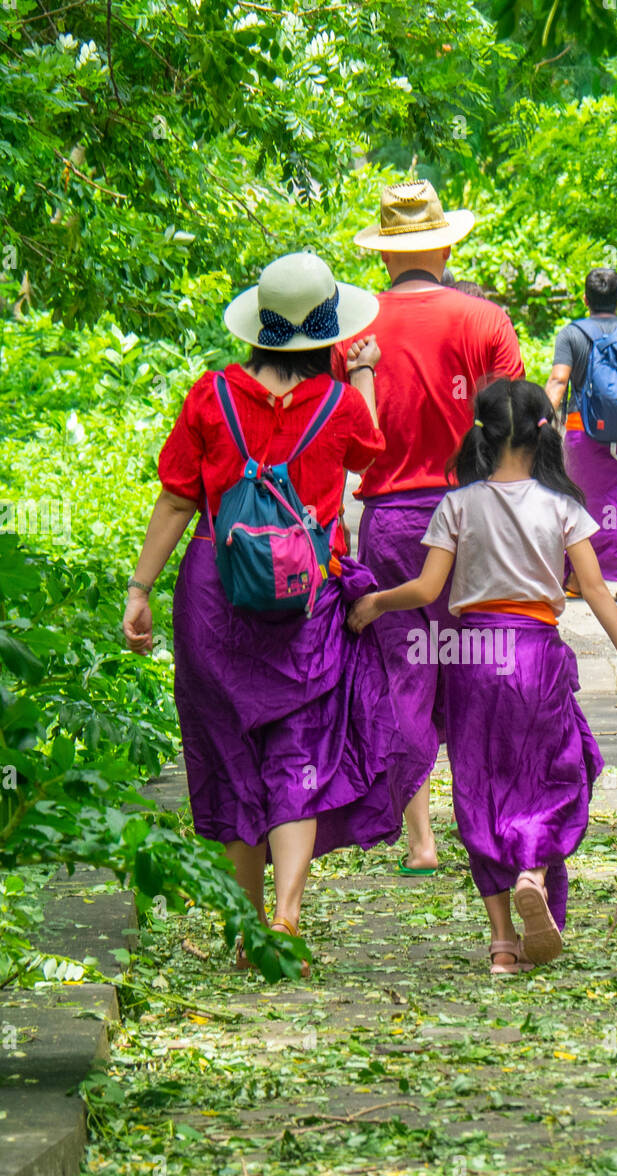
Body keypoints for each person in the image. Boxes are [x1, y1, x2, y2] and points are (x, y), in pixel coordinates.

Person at [122, 252, 430, 971]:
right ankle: (287, 918)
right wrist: (360, 377)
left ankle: (246, 927)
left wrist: (140, 587)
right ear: (327, 335)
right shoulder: (341, 405)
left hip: (214, 593)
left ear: (257, 328)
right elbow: (371, 461)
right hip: (305, 597)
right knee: (298, 749)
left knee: (232, 753)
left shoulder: (208, 397)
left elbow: (174, 498)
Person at [348, 378, 617, 975]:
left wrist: (377, 602)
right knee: (557, 770)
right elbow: (594, 589)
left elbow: (428, 590)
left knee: (479, 788)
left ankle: (502, 945)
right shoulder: (564, 507)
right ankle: (534, 871)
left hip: (472, 657)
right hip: (536, 652)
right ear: (544, 435)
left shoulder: (456, 505)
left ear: (482, 434)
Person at [333, 179, 524, 875]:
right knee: (477, 667)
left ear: (383, 254)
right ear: (445, 245)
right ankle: (493, 825)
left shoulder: (354, 329)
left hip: (387, 518)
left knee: (404, 670)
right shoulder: (484, 322)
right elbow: (514, 425)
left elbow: (347, 439)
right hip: (471, 516)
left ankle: (419, 839)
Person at [546, 268, 617, 602]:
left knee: (581, 503)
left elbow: (558, 381)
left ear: (585, 299)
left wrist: (540, 418)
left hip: (583, 434)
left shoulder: (571, 335)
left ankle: (580, 578)